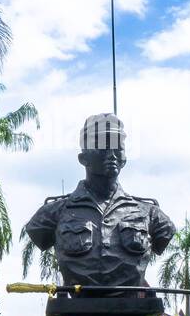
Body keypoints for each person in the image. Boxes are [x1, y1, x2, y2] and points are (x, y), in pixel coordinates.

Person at [24, 113, 175, 293]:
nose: (111, 155)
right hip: (77, 307)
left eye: (117, 148)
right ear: (83, 158)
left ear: (124, 159)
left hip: (131, 307)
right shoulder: (52, 214)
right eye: (102, 147)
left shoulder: (150, 214)